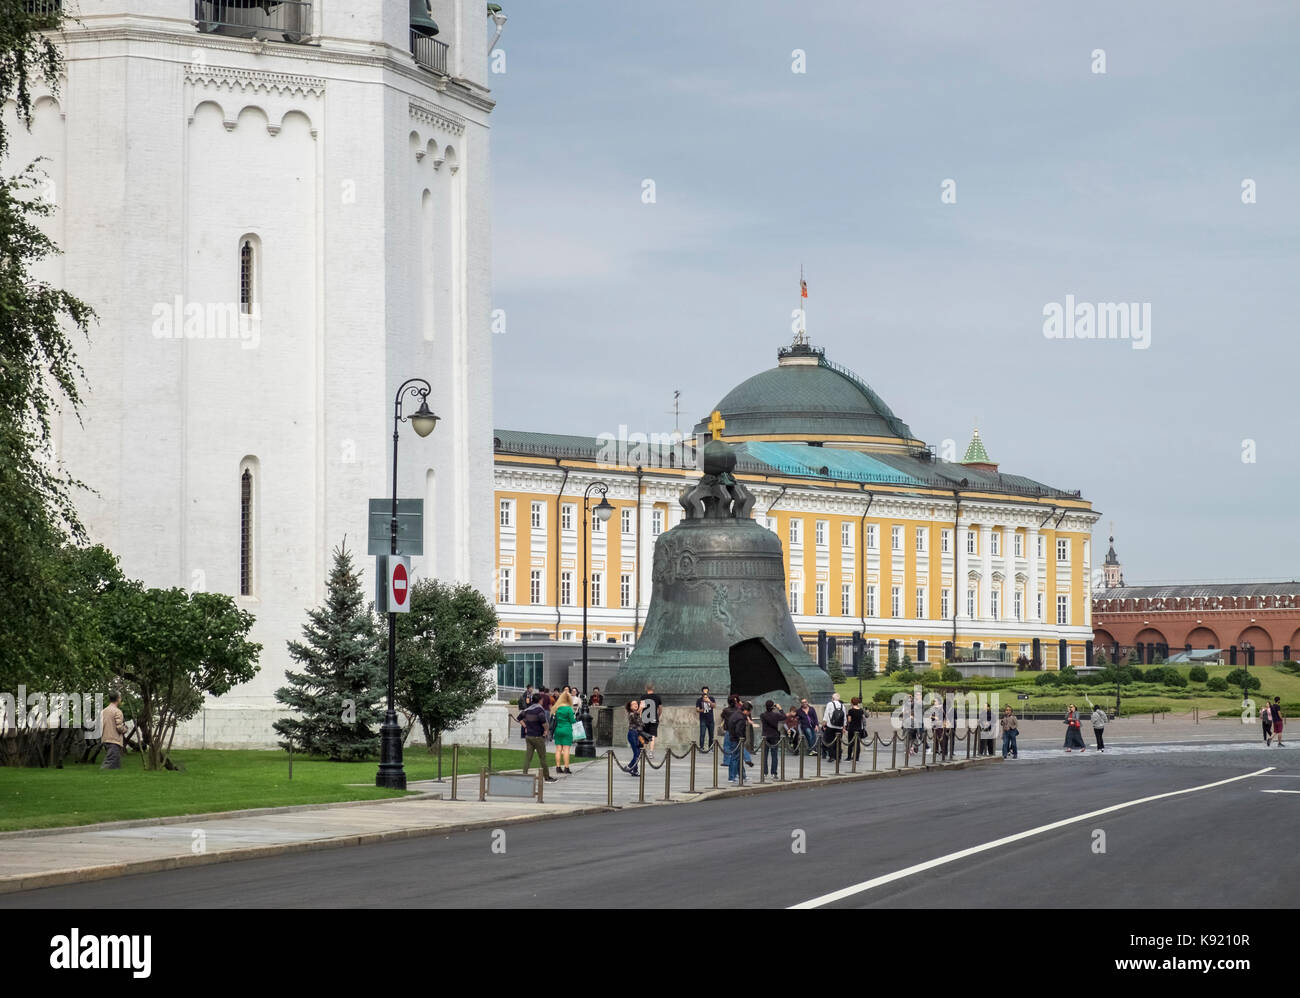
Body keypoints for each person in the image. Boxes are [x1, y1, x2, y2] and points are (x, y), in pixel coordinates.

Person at [517, 693, 558, 783]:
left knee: (528, 757)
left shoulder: (527, 710)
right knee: (542, 758)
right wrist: (546, 730)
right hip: (538, 737)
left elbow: (519, 718)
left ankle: (524, 774)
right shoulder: (539, 710)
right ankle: (547, 777)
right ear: (540, 700)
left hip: (529, 737)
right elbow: (543, 721)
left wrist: (525, 727)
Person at [724, 697, 750, 783]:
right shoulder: (741, 718)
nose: (749, 713)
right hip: (736, 739)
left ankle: (742, 775)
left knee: (737, 758)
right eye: (749, 711)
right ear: (746, 710)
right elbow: (738, 730)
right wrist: (742, 738)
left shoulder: (735, 714)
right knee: (735, 758)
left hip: (732, 737)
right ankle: (732, 777)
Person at [99, 692, 127, 770]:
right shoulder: (117, 711)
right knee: (110, 761)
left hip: (105, 738)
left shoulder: (103, 711)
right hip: (114, 739)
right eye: (120, 698)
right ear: (118, 699)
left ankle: (115, 776)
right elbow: (119, 727)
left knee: (116, 763)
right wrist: (125, 729)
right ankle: (100, 775)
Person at [759, 699, 786, 778]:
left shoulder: (762, 715)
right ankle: (774, 773)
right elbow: (784, 717)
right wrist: (780, 708)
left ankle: (764, 772)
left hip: (765, 736)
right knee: (774, 755)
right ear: (773, 707)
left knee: (765, 755)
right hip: (774, 736)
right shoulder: (776, 715)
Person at [551, 690, 576, 774]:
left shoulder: (557, 708)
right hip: (567, 729)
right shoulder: (569, 709)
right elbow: (572, 721)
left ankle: (558, 767)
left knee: (558, 749)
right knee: (566, 750)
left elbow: (556, 719)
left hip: (558, 729)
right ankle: (566, 768)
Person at [641, 682, 663, 757]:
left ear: (645, 688)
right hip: (654, 718)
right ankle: (651, 752)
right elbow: (660, 709)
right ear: (653, 688)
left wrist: (640, 716)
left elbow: (641, 708)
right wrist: (658, 715)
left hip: (644, 718)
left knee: (644, 734)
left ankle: (643, 751)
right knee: (652, 735)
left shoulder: (643, 697)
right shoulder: (657, 697)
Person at [822, 692, 846, 762]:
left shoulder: (830, 704)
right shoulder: (842, 706)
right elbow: (844, 717)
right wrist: (844, 727)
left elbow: (826, 714)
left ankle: (831, 756)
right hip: (839, 727)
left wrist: (824, 723)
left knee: (830, 741)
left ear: (833, 698)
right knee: (838, 742)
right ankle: (838, 756)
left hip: (831, 726)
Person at [625, 700, 646, 776]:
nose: (635, 705)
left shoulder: (637, 714)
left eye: (636, 704)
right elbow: (635, 715)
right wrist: (640, 708)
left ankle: (634, 770)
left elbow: (641, 724)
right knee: (636, 753)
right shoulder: (630, 714)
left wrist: (641, 710)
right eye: (633, 704)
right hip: (632, 734)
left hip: (639, 735)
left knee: (639, 753)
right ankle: (629, 766)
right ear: (630, 707)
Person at [845, 696, 866, 762]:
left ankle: (849, 756)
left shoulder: (851, 710)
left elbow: (849, 720)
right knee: (857, 743)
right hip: (859, 728)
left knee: (850, 743)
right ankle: (857, 757)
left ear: (852, 702)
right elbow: (863, 719)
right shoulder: (861, 710)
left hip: (852, 728)